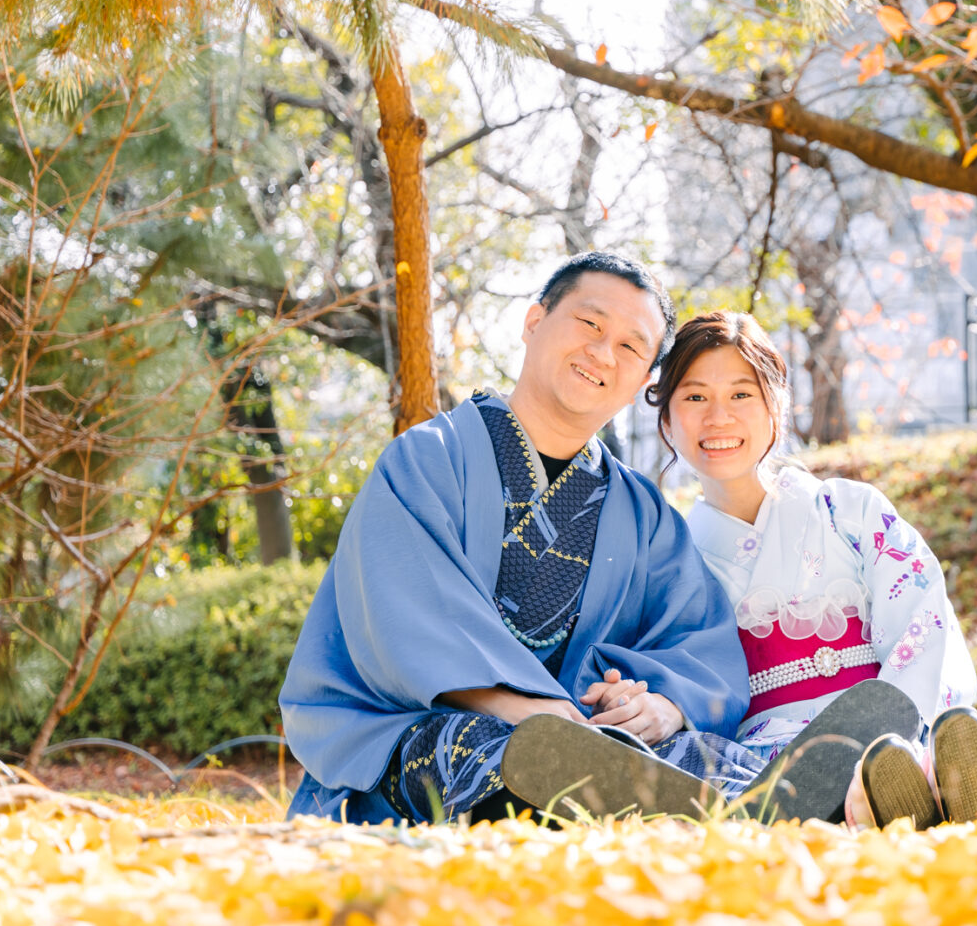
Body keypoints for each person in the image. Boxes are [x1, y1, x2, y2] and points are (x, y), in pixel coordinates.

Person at [280, 252, 772, 824]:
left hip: (589, 737)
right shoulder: (427, 460)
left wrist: (661, 705)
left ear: (643, 381)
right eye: (589, 324)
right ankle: (654, 804)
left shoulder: (643, 513)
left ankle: (805, 802)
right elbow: (404, 621)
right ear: (534, 322)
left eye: (631, 347)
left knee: (705, 756)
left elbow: (695, 638)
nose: (602, 353)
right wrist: (526, 711)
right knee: (498, 755)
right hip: (426, 727)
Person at [654, 310, 977, 829]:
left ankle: (923, 777)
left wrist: (897, 731)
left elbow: (921, 626)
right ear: (666, 418)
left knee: (907, 757)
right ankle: (909, 800)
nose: (718, 417)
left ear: (775, 404)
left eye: (741, 394)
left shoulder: (849, 511)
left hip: (892, 725)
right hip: (775, 763)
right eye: (694, 397)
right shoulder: (674, 557)